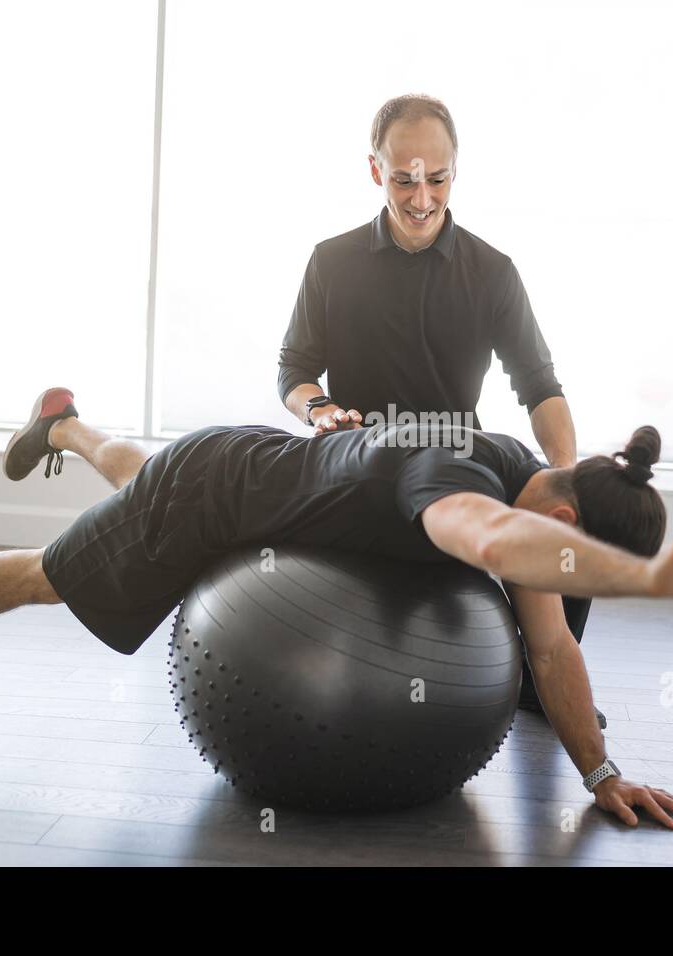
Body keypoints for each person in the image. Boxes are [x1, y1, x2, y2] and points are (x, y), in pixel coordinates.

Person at [0, 387, 673, 828]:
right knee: (55, 577)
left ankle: (62, 422)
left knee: (138, 485)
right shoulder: (466, 483)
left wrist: (602, 775)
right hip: (212, 495)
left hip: (246, 473)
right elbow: (491, 545)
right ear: (566, 517)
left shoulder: (525, 487)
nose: (575, 588)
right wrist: (652, 579)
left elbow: (551, 653)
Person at [277, 93, 594, 719]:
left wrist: (566, 473)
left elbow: (539, 383)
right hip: (361, 460)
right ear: (376, 171)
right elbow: (295, 370)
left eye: (438, 178)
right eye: (403, 180)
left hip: (458, 461)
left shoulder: (493, 271)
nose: (422, 199)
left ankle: (536, 680)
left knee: (570, 519)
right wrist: (320, 412)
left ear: (456, 169)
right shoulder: (332, 262)